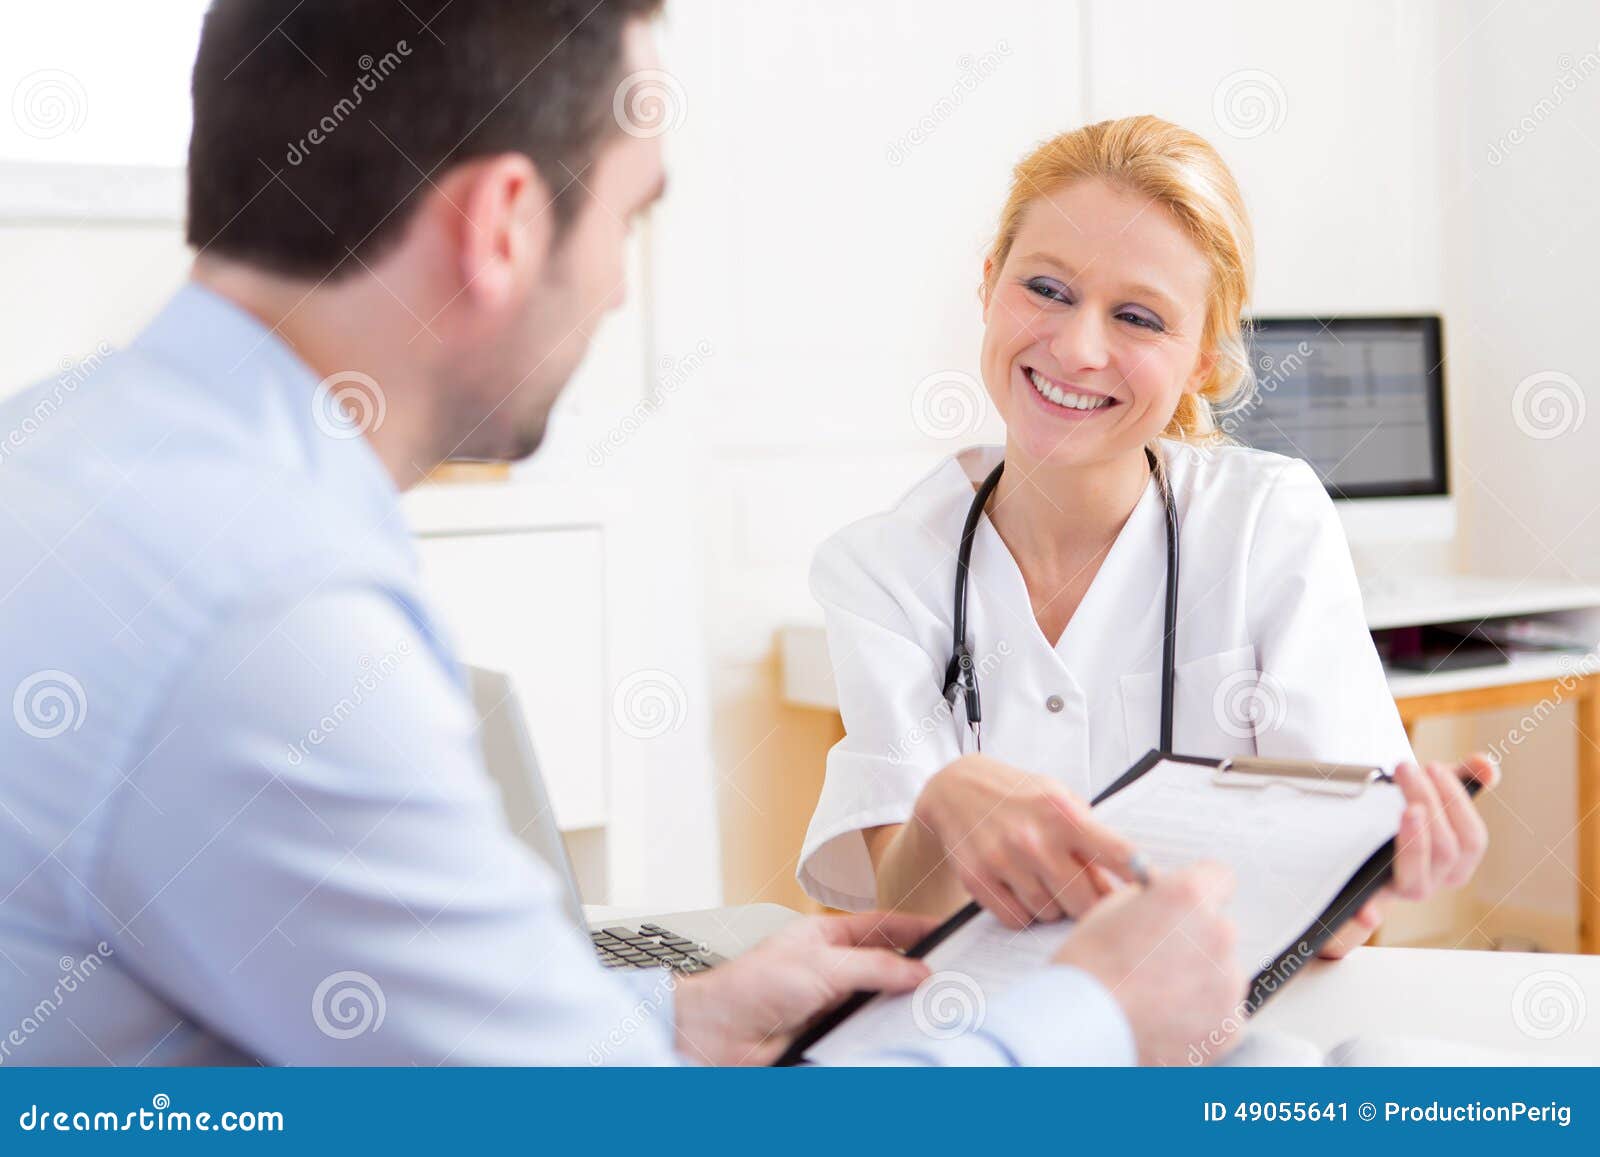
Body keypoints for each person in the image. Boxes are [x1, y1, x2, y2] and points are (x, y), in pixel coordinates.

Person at [0, 2, 1244, 1067]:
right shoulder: (269, 620)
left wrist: (675, 1013)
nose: (614, 287)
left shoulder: (69, 450)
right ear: (500, 226)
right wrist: (1098, 1015)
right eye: (625, 219)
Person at [797, 117, 1495, 951]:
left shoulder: (1266, 521)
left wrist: (1384, 864)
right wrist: (945, 809)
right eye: (1046, 290)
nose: (1077, 347)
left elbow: (1340, 919)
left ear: (1202, 358)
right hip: (988, 1035)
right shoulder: (882, 570)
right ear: (990, 286)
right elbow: (908, 912)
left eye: (1138, 317)